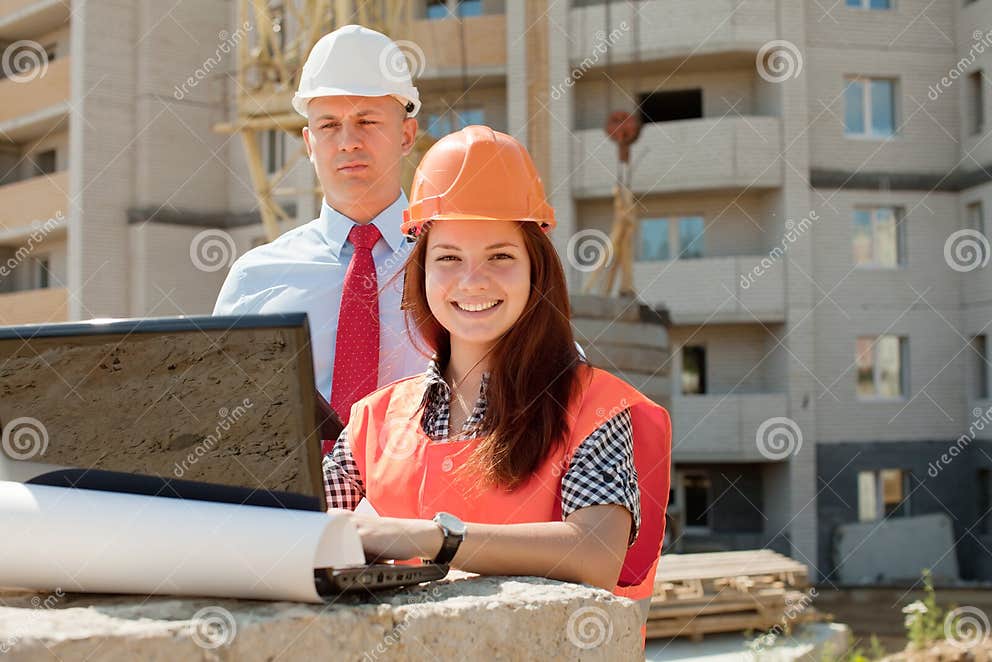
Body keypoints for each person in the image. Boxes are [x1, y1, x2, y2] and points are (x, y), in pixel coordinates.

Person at [323, 125, 672, 641]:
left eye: (500, 256)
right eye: (448, 258)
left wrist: (432, 537)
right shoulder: (376, 419)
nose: (473, 280)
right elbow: (304, 522)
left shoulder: (594, 408)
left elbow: (595, 554)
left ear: (537, 269)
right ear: (420, 272)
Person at [213, 25, 424, 449]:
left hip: (419, 512)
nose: (348, 142)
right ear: (309, 142)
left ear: (406, 135)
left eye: (367, 121)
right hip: (292, 512)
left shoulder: (459, 267)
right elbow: (220, 415)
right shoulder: (255, 279)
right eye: (329, 125)